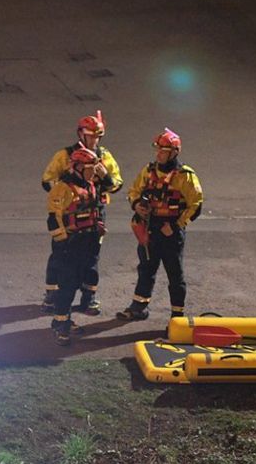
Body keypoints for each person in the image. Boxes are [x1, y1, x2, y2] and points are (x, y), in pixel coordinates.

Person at [117, 128, 203, 322]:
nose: (159, 154)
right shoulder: (148, 171)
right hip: (150, 228)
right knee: (146, 268)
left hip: (171, 233)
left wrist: (176, 226)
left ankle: (177, 316)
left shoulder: (185, 176)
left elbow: (196, 206)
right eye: (158, 150)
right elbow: (133, 191)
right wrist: (137, 205)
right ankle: (139, 306)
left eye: (163, 151)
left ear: (174, 152)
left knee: (175, 274)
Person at [40, 111, 122, 315]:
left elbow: (116, 185)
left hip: (95, 211)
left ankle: (88, 297)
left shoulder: (104, 157)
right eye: (91, 135)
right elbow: (47, 181)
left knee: (92, 257)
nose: (94, 140)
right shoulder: (65, 155)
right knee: (60, 254)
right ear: (81, 134)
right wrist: (69, 188)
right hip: (69, 212)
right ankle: (52, 296)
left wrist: (105, 178)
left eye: (98, 136)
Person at [47, 148, 105, 346]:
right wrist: (63, 243)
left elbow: (96, 209)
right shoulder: (62, 189)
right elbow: (53, 220)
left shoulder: (90, 185)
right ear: (78, 168)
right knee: (67, 287)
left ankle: (63, 320)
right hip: (70, 245)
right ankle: (61, 325)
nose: (94, 172)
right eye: (90, 168)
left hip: (88, 243)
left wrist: (97, 229)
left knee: (83, 279)